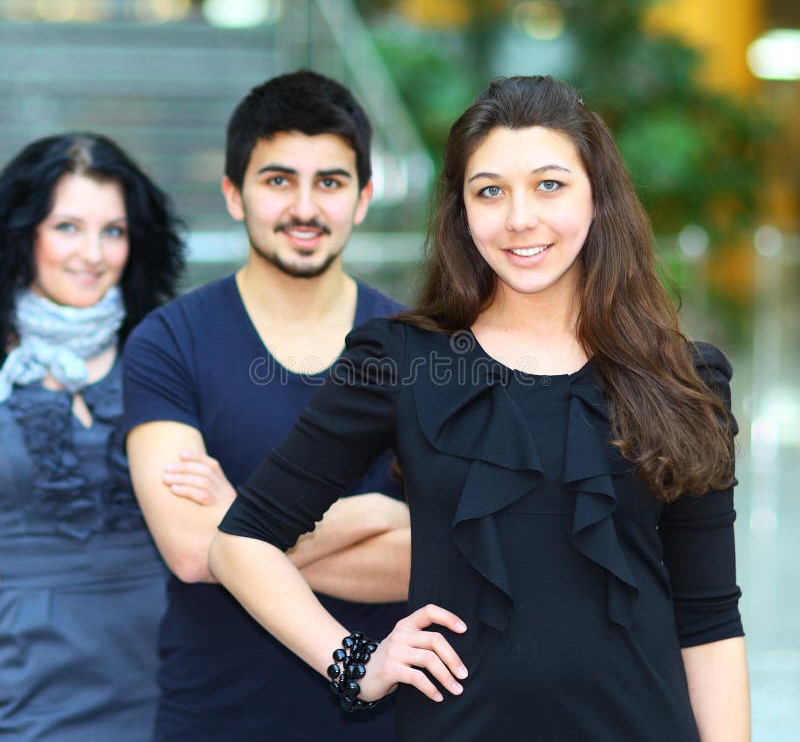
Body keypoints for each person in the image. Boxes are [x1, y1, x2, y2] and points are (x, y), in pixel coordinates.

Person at [210, 75, 751, 742]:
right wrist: (355, 661)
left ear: (597, 196)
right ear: (461, 212)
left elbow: (709, 620)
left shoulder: (683, 377)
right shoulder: (401, 359)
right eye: (489, 191)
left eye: (549, 185)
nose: (520, 218)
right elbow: (241, 542)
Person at [123, 69, 410, 742]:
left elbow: (429, 556)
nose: (305, 208)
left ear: (363, 198)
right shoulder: (171, 341)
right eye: (278, 180)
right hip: (217, 716)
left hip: (389, 723)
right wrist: (372, 514)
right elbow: (193, 553)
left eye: (330, 183)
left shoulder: (418, 350)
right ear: (233, 193)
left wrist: (240, 530)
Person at [0, 133, 184, 740]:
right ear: (23, 232)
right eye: (67, 227)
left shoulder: (165, 353)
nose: (93, 254)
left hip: (168, 672)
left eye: (113, 230)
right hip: (23, 683)